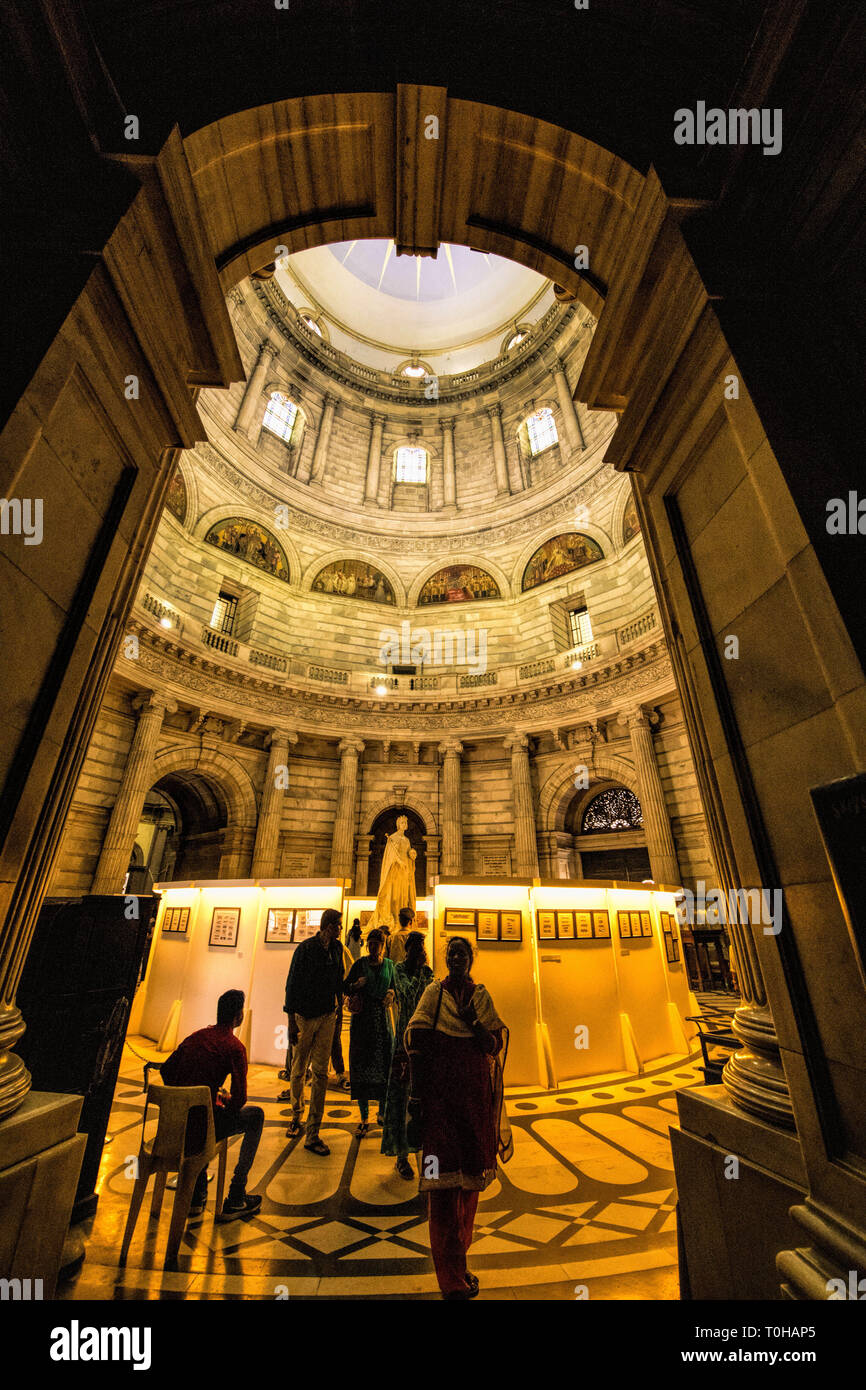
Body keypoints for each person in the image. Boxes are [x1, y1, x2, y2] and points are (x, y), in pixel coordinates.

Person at [406, 936, 512, 1299]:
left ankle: (459, 1264)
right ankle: (449, 1279)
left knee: (468, 1186)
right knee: (440, 1190)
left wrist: (473, 1022)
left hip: (473, 1106)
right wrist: (416, 1102)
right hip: (439, 1107)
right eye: (451, 953)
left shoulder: (480, 997)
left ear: (471, 959)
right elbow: (415, 1041)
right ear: (445, 958)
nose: (456, 958)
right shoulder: (434, 995)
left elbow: (493, 1045)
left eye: (462, 953)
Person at [160, 989, 263, 1221]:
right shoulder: (234, 1047)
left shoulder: (195, 1037)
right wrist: (222, 1099)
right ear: (238, 1016)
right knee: (255, 1116)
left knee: (203, 1112)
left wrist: (187, 1095)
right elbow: (239, 1101)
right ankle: (237, 1195)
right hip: (202, 1126)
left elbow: (167, 1070)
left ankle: (196, 1198)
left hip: (176, 1124)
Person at [283, 907, 344, 1155]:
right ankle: (296, 1115)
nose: (341, 929)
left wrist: (343, 1001)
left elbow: (339, 978)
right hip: (305, 1017)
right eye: (339, 925)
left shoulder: (338, 949)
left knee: (320, 1073)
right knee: (299, 1069)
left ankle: (313, 1132)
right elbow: (292, 984)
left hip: (328, 1015)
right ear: (329, 926)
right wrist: (290, 1022)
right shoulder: (306, 949)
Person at [381, 931, 434, 1179]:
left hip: (425, 1043)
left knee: (424, 1097)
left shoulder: (428, 972)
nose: (420, 952)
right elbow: (411, 994)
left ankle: (425, 1152)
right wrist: (421, 972)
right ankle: (401, 1156)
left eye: (422, 948)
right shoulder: (400, 971)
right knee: (401, 1099)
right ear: (408, 950)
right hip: (404, 1041)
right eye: (416, 948)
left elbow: (433, 1001)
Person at [343, 928, 396, 1137]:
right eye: (371, 943)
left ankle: (382, 1112)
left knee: (384, 1066)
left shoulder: (390, 966)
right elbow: (345, 986)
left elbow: (395, 986)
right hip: (363, 1022)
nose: (374, 947)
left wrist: (391, 992)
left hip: (382, 1022)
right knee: (361, 1065)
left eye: (378, 943)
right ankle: (364, 1116)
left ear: (383, 946)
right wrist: (356, 984)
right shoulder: (360, 964)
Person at [367, 815, 416, 930]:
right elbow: (390, 856)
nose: (404, 824)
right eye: (402, 822)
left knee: (404, 896)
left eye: (405, 822)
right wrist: (398, 861)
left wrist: (413, 854)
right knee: (394, 895)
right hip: (395, 871)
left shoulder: (407, 840)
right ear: (398, 824)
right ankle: (394, 918)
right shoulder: (392, 838)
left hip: (405, 871)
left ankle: (403, 920)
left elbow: (409, 854)